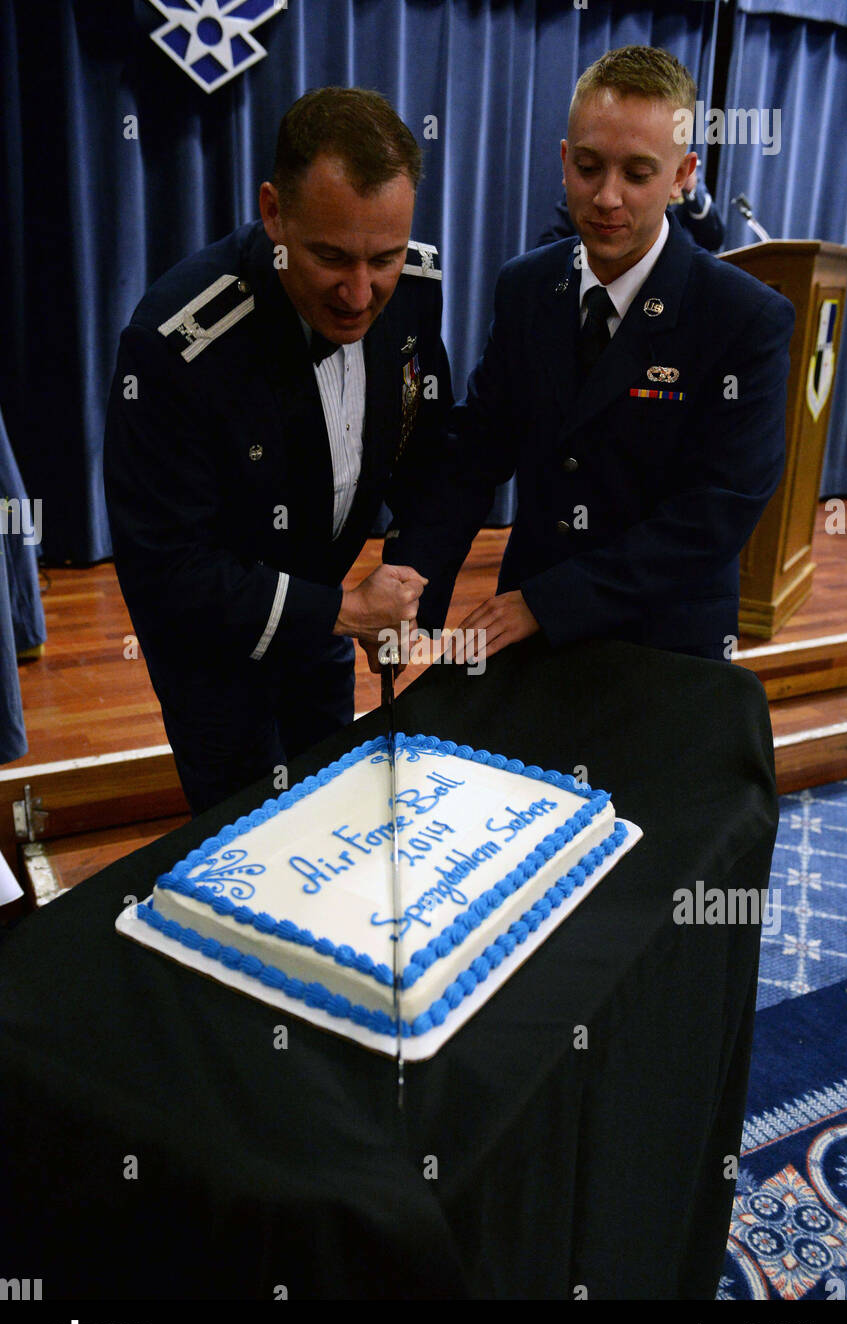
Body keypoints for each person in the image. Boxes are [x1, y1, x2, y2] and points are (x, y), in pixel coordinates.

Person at [387, 46, 794, 663]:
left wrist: (548, 604)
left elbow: (715, 516)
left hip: (663, 648)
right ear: (562, 161)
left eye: (637, 173)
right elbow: (474, 455)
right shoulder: (526, 288)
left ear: (683, 175)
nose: (606, 197)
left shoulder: (746, 318)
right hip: (530, 645)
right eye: (588, 166)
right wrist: (413, 585)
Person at [104, 88, 450, 813]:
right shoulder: (177, 345)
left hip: (321, 607)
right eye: (330, 258)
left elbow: (428, 457)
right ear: (274, 212)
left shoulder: (414, 287)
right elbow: (169, 568)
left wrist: (403, 587)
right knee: (245, 832)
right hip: (213, 652)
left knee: (331, 806)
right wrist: (349, 612)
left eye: (382, 258)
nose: (360, 293)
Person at [536, 160, 725, 252]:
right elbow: (548, 245)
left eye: (639, 175)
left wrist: (692, 190)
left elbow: (713, 239)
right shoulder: (589, 190)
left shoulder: (683, 181)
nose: (609, 201)